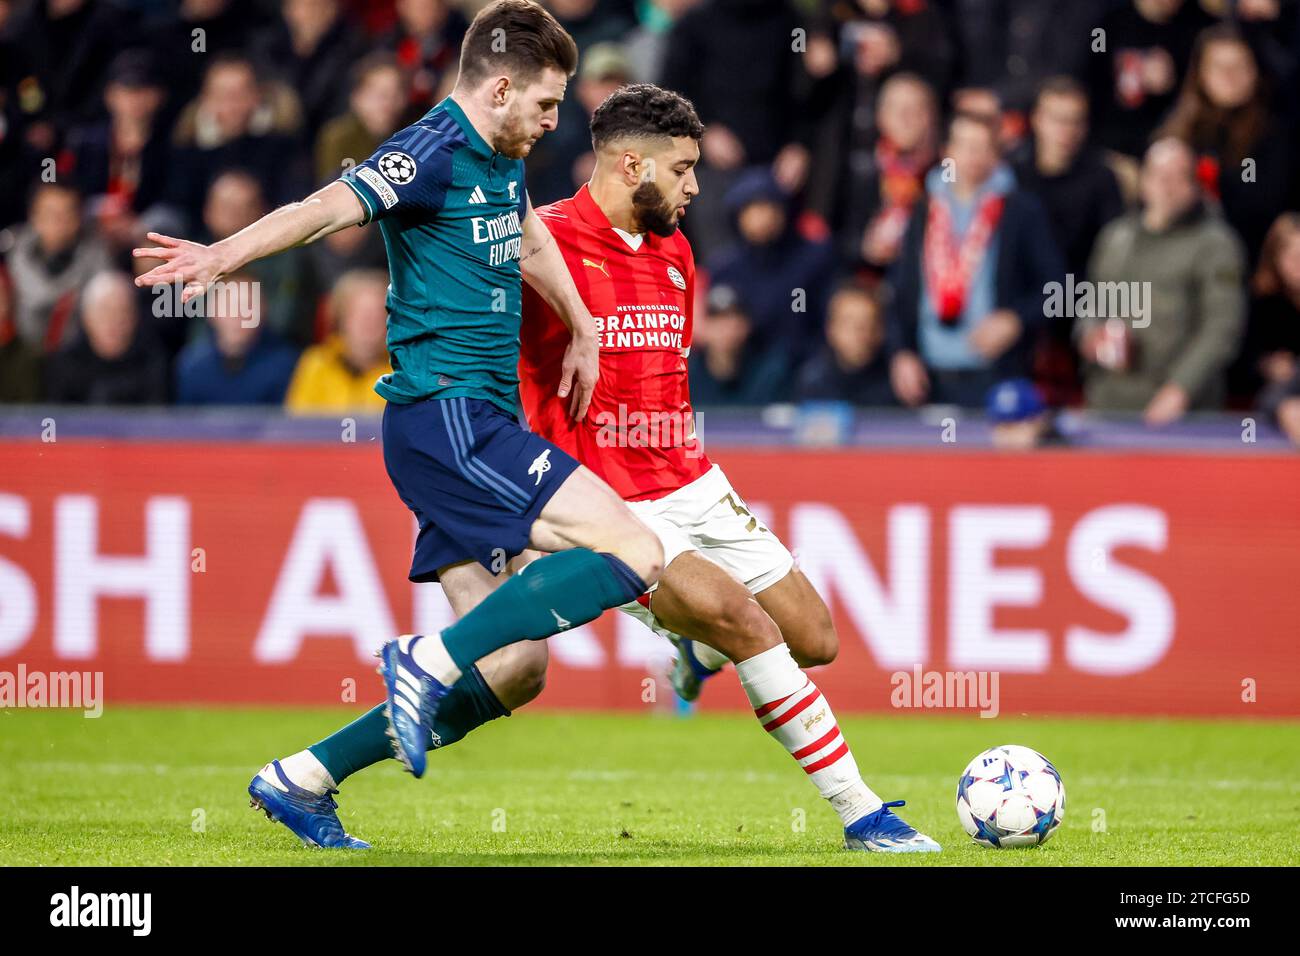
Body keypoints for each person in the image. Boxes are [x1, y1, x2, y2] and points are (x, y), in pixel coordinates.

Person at [253, 83, 941, 855]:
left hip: (694, 483)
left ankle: (308, 774)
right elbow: (454, 311)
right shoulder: (536, 239)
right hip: (606, 501)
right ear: (629, 162)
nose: (695, 186)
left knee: (812, 638)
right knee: (745, 626)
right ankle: (863, 814)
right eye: (682, 170)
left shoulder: (677, 249)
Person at [135, 0, 664, 846]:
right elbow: (325, 205)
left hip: (464, 425)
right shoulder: (429, 150)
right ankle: (425, 659)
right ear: (498, 89)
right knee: (637, 550)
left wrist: (585, 325)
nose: (555, 121)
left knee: (517, 667)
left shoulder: (500, 154)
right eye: (546, 104)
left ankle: (302, 778)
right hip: (448, 419)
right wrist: (220, 255)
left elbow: (523, 236)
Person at [885, 111, 1063, 407]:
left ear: (997, 154)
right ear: (947, 152)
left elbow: (1057, 287)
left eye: (983, 147)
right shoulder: (925, 208)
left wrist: (1016, 320)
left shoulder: (1020, 209)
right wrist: (901, 352)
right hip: (929, 374)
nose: (973, 157)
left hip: (996, 373)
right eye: (965, 146)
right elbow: (901, 288)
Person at [1078, 138, 1246, 423]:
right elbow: (1090, 304)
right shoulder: (1115, 237)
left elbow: (1222, 328)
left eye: (1178, 177)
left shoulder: (1216, 245)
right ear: (1144, 180)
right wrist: (1090, 335)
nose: (1166, 187)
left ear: (1195, 185)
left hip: (1181, 410)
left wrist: (1180, 389)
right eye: (1157, 175)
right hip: (1109, 402)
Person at [43, 271, 169, 405]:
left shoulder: (152, 360)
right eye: (105, 311)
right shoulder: (66, 363)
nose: (114, 321)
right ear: (87, 318)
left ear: (135, 318)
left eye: (122, 312)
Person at [285, 269, 392, 414]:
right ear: (341, 318)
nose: (369, 324)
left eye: (378, 315)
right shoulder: (316, 364)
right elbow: (296, 427)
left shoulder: (401, 372)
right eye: (361, 315)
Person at [795, 282, 895, 406]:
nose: (859, 333)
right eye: (849, 322)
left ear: (882, 330)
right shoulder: (813, 380)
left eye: (869, 323)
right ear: (831, 330)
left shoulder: (899, 381)